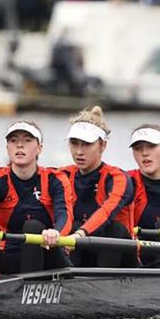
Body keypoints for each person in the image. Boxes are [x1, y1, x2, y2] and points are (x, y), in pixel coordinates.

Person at [0, 120, 73, 275]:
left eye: (27, 140)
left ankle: (29, 287)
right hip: (11, 260)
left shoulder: (55, 179)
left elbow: (65, 214)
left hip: (50, 258)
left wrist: (57, 233)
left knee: (32, 226)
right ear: (8, 148)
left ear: (39, 148)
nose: (20, 146)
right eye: (14, 141)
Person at [59, 106, 136, 267]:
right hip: (79, 251)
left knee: (114, 229)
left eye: (87, 144)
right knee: (71, 226)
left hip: (119, 258)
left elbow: (106, 212)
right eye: (74, 143)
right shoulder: (62, 175)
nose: (79, 151)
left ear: (102, 146)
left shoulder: (118, 178)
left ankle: (100, 285)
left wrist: (80, 234)